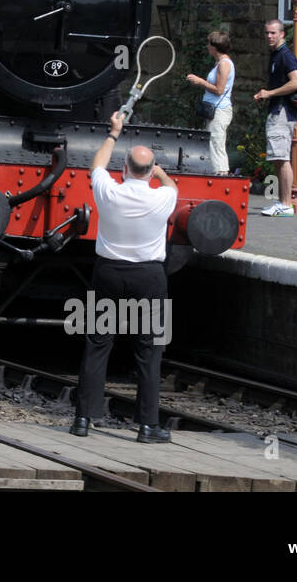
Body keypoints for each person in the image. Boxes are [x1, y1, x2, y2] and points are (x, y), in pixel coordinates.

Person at [70, 111, 177, 444]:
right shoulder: (163, 196)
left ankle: (83, 420)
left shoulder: (109, 191)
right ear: (151, 172)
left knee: (98, 344)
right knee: (149, 350)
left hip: (109, 273)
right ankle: (147, 427)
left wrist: (114, 133)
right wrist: (159, 170)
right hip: (149, 277)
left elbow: (96, 166)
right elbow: (173, 185)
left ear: (125, 170)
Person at [252, 18, 297, 216]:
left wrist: (269, 93)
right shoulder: (276, 55)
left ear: (282, 34)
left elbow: (296, 82)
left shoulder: (285, 56)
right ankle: (282, 202)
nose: (269, 36)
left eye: (273, 33)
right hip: (277, 111)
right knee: (277, 158)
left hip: (282, 112)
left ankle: (286, 204)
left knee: (282, 158)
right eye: (267, 33)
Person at [185, 31, 235, 174]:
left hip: (219, 111)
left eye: (209, 44)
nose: (207, 46)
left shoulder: (224, 64)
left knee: (216, 144)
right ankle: (218, 174)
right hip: (214, 110)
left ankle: (220, 176)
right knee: (213, 144)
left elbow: (219, 90)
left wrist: (200, 81)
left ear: (215, 47)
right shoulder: (219, 63)